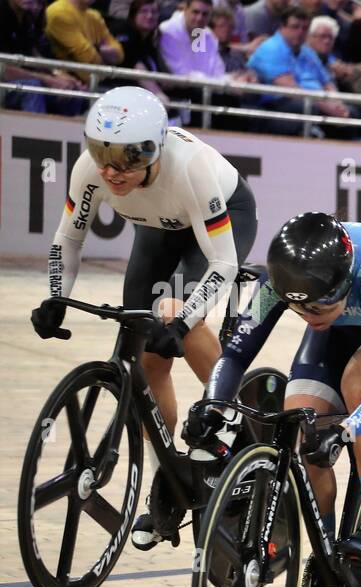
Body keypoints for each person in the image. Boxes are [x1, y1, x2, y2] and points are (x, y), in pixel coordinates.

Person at [31, 86, 259, 550]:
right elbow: (67, 239)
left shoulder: (189, 168)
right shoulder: (88, 171)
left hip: (217, 224)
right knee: (146, 355)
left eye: (128, 157)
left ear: (154, 149)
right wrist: (57, 295)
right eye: (102, 154)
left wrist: (182, 321)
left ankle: (231, 418)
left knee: (174, 314)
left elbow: (224, 265)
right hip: (159, 229)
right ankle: (169, 486)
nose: (112, 170)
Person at [186, 213, 361, 570]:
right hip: (337, 329)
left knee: (359, 383)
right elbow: (235, 356)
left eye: (318, 304)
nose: (308, 314)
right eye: (299, 307)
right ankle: (325, 552)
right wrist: (211, 406)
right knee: (301, 420)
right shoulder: (281, 282)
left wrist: (345, 430)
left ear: (341, 284)